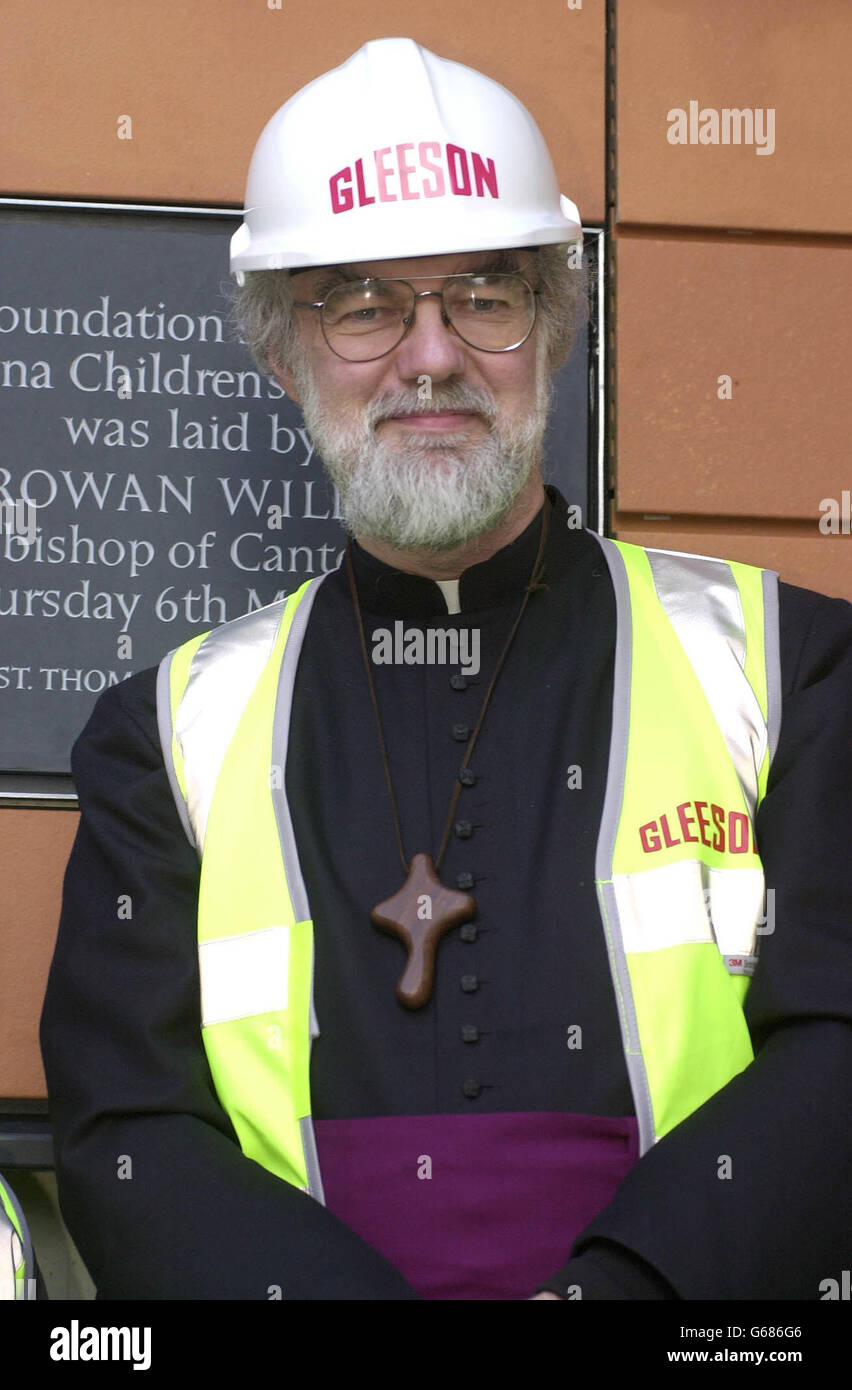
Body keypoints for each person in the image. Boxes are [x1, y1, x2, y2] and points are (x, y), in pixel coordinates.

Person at [40, 36, 852, 1301]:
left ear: (554, 327)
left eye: (483, 294)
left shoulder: (789, 669)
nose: (431, 356)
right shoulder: (167, 735)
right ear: (281, 353)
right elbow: (127, 1129)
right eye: (364, 303)